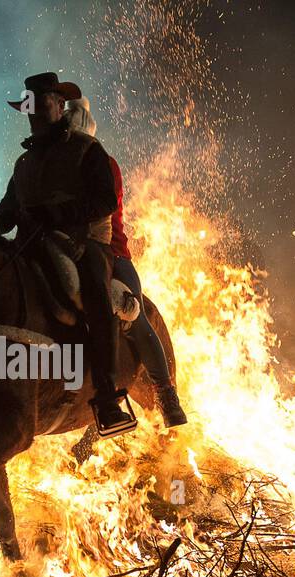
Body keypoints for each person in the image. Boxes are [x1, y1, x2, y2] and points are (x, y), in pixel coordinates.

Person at [0, 72, 132, 438]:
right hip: (31, 244)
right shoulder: (24, 164)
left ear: (59, 104)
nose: (34, 114)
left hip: (82, 243)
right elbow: (9, 206)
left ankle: (106, 396)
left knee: (95, 295)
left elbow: (103, 201)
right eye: (29, 108)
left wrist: (56, 215)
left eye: (41, 105)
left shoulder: (88, 150)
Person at [63, 95, 187, 427]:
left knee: (133, 315)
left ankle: (165, 394)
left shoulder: (102, 163)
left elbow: (101, 209)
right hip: (63, 250)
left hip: (109, 253)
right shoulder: (52, 164)